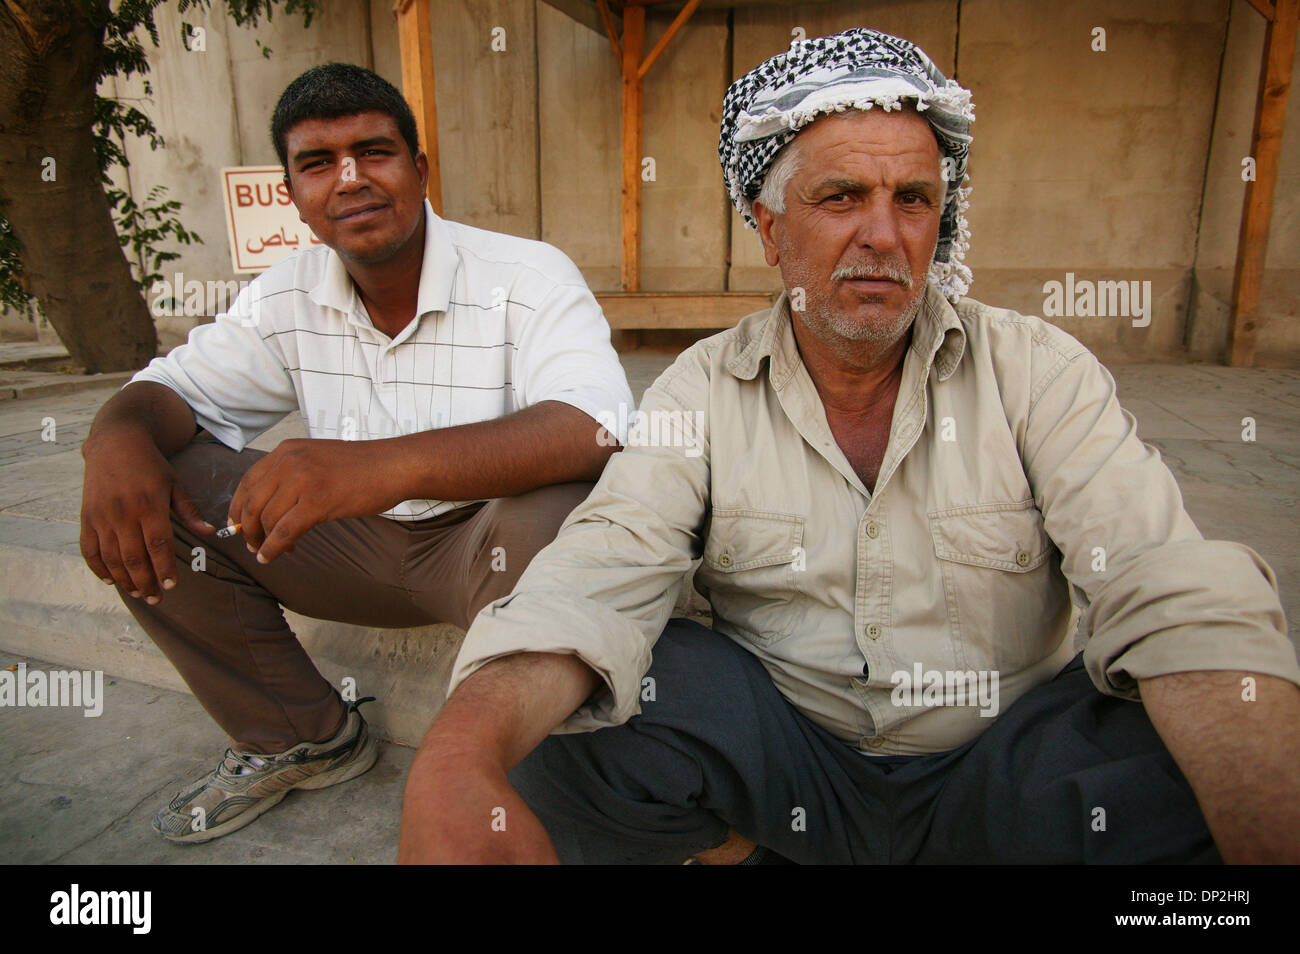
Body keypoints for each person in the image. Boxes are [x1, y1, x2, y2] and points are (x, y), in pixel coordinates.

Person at [398, 28, 1300, 864]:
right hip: (794, 764)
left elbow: (1164, 581)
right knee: (575, 722)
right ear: (768, 227)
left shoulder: (1038, 370)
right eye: (841, 198)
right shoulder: (702, 388)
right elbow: (600, 569)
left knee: (1188, 732)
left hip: (1003, 767)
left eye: (913, 199)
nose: (883, 234)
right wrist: (453, 758)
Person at [78, 64, 633, 843]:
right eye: (317, 163)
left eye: (374, 152)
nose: (350, 180)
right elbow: (166, 393)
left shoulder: (526, 275)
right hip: (346, 552)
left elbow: (597, 425)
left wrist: (377, 466)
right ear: (294, 196)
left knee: (562, 507)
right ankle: (297, 734)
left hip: (490, 552)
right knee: (149, 488)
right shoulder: (285, 294)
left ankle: (558, 768)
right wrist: (115, 441)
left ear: (419, 170)